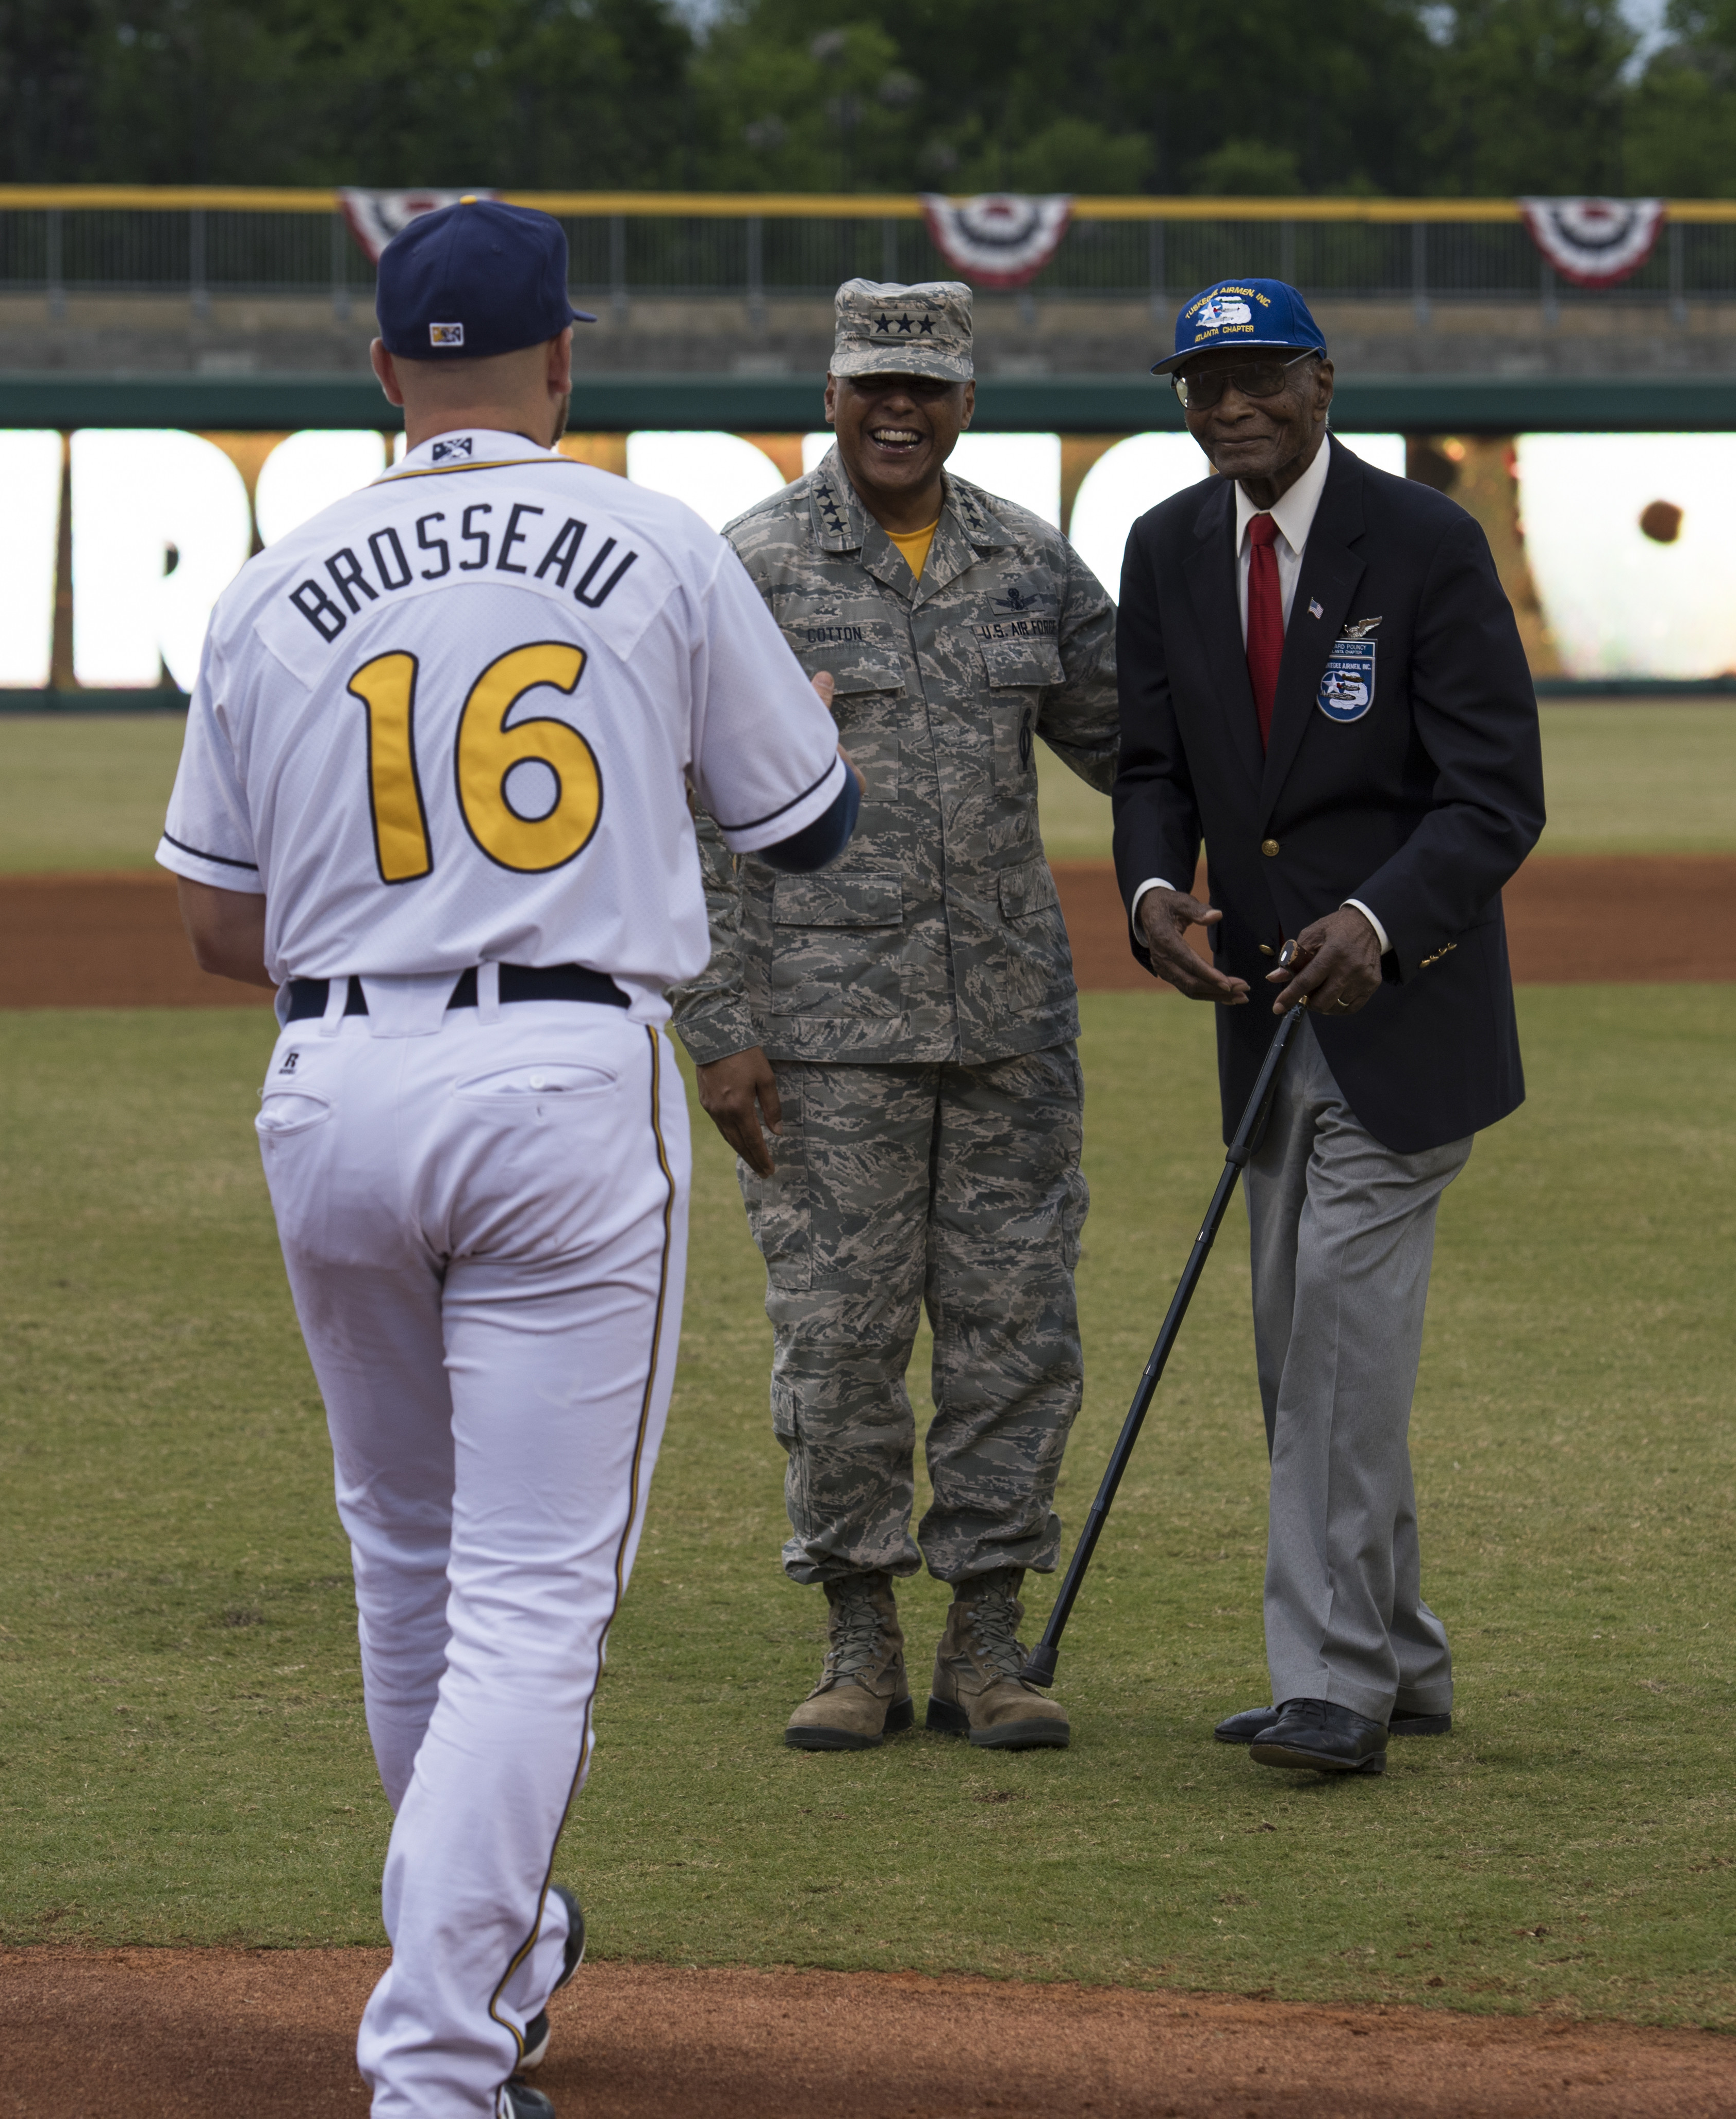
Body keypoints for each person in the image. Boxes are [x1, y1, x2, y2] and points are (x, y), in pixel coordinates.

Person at [158, 201, 858, 2118]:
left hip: (329, 1081)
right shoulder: (648, 539)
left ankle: (504, 1960)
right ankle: (438, 2067)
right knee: (535, 1604)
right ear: (566, 362)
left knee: (406, 1565)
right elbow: (806, 824)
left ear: (384, 373)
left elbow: (217, 925)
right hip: (563, 1078)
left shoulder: (273, 576)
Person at [675, 278, 1119, 1754]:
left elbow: (1142, 753)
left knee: (1013, 1340)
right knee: (839, 1350)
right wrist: (717, 1029)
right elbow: (695, 821)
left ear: (965, 402)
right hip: (818, 1041)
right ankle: (857, 1638)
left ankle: (988, 1642)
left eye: (925, 387)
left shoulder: (1031, 569)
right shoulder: (749, 573)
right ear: (830, 393)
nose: (898, 410)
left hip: (1006, 1034)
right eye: (874, 382)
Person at [1110, 278, 1545, 1779]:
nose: (1229, 405)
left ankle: (1334, 1683)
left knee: (1335, 1358)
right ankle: (1404, 1652)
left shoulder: (1422, 544)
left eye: (1258, 378)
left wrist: (1376, 921)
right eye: (1202, 381)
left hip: (1400, 1015)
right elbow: (1151, 762)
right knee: (1305, 1355)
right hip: (1256, 1018)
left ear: (1322, 382)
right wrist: (1157, 889)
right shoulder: (1168, 546)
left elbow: (1494, 796)